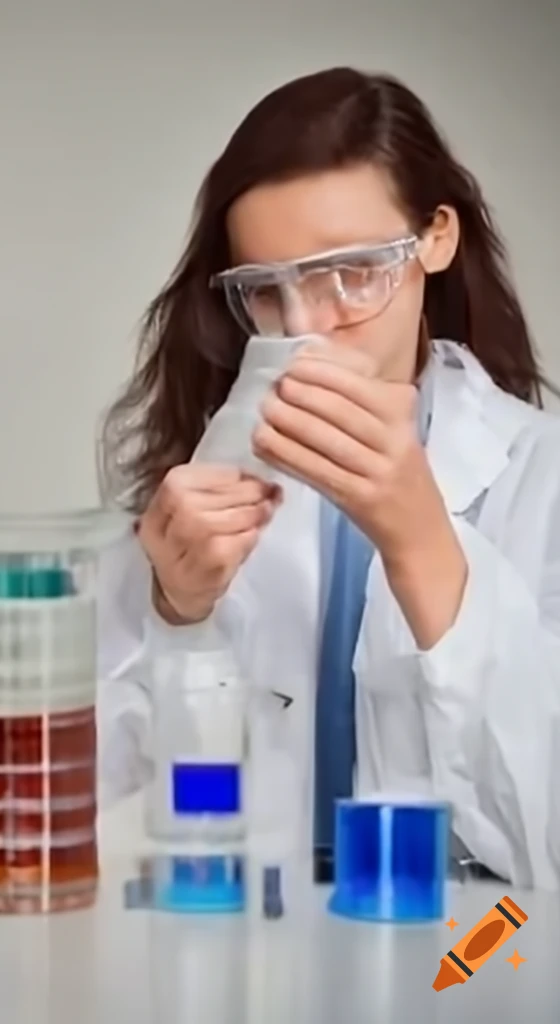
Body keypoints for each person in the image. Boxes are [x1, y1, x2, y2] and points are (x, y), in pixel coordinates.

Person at [97, 66, 560, 890]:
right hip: (252, 953)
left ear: (436, 240)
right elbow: (116, 806)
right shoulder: (205, 473)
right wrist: (173, 613)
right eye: (266, 292)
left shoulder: (540, 477)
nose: (306, 327)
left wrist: (424, 548)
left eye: (349, 274)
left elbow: (544, 846)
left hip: (468, 961)